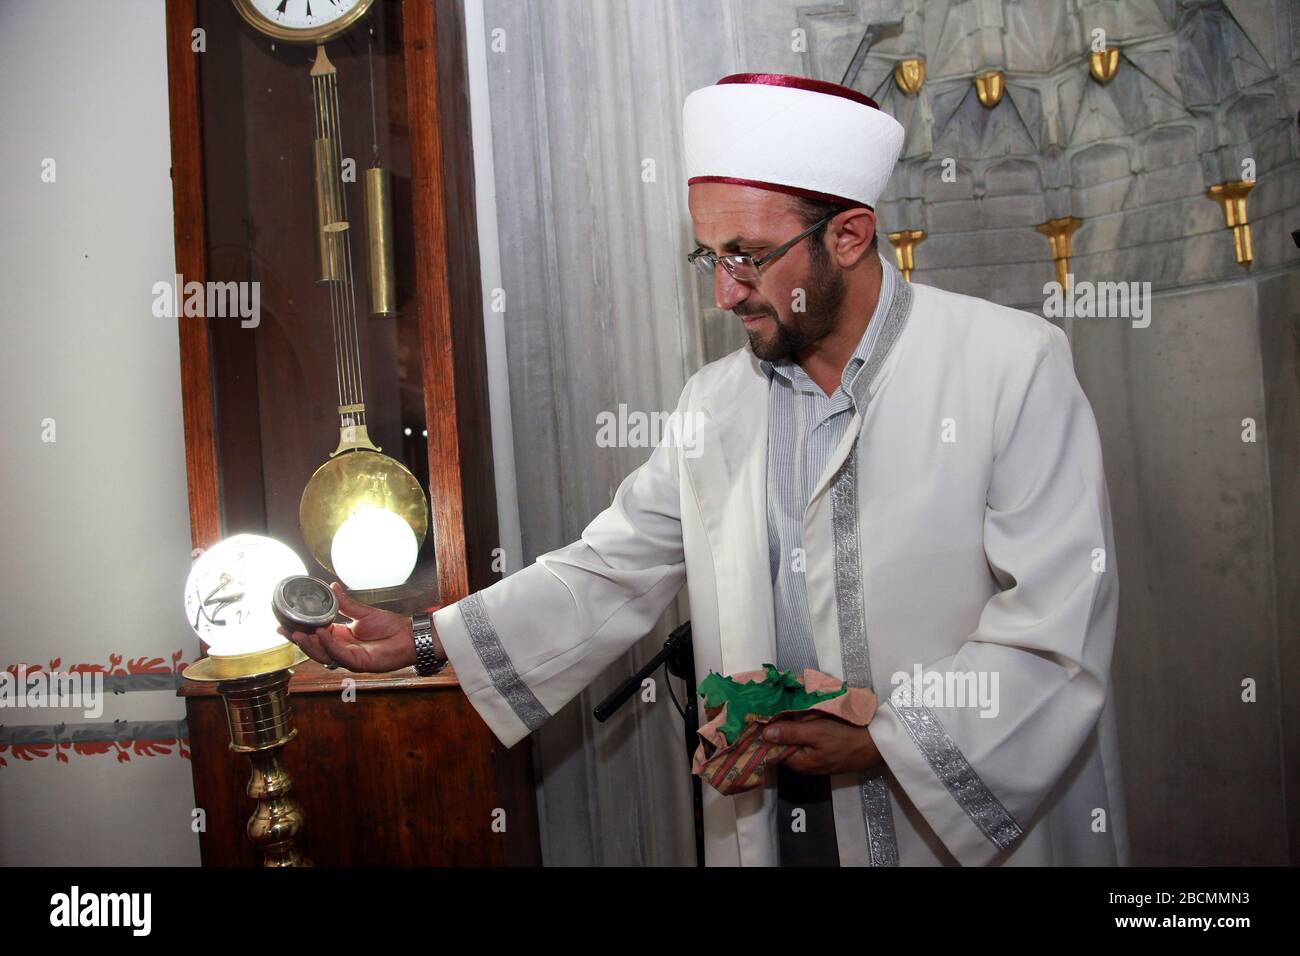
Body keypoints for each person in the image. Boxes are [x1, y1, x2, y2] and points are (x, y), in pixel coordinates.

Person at [283, 72, 1127, 867]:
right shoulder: (713, 403)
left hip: (939, 820)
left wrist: (883, 738)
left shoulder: (1008, 366)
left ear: (849, 235)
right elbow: (613, 569)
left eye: (748, 255)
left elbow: (1057, 623)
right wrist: (428, 637)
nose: (726, 292)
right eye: (710, 258)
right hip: (774, 824)